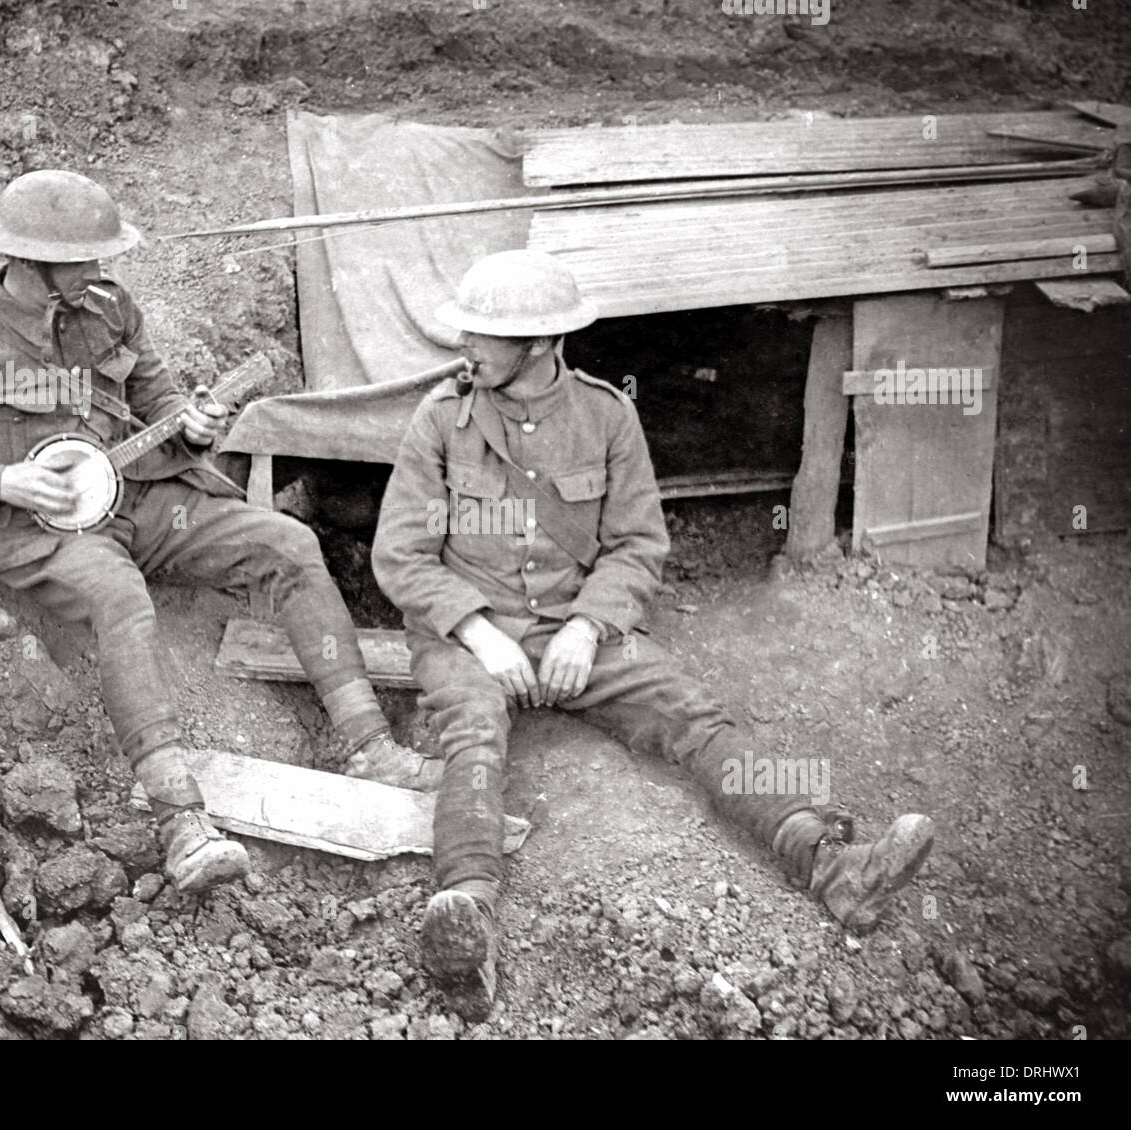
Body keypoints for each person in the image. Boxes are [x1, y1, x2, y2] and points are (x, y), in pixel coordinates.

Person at [372, 249, 934, 1016]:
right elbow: (399, 554)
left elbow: (638, 546)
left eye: (484, 336)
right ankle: (470, 926)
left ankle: (831, 864)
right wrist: (477, 632)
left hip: (578, 627)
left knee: (691, 714)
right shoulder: (440, 420)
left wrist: (586, 626)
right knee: (472, 732)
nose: (465, 347)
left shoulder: (607, 416)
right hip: (471, 633)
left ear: (540, 344)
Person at [0, 170, 436, 895]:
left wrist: (195, 427)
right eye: (86, 261)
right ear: (32, 265)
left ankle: (369, 745)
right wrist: (0, 484)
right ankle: (180, 821)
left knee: (287, 545)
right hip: (40, 531)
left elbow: (158, 397)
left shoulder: (110, 311)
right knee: (119, 596)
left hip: (139, 499)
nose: (102, 271)